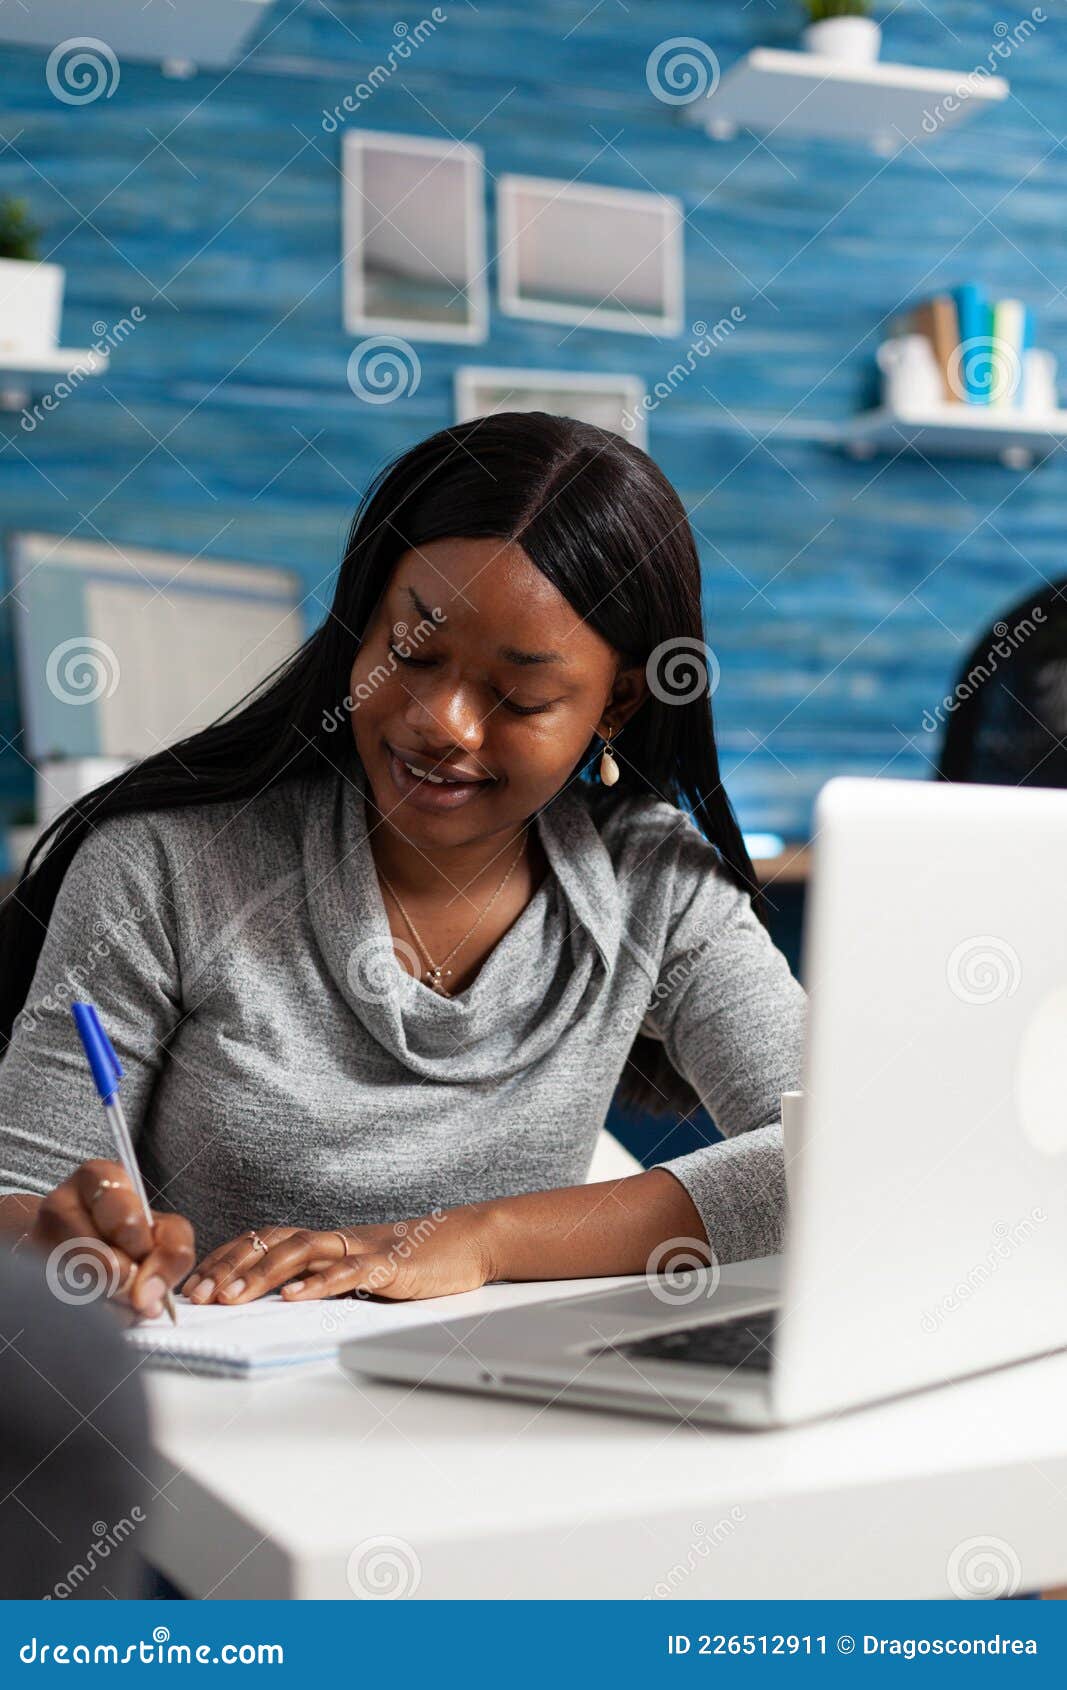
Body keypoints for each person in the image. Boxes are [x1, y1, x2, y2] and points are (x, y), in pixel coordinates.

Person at [0, 413, 804, 1317]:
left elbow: (840, 1148)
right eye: (412, 652)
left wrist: (479, 1240)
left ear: (613, 703)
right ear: (362, 623)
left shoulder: (651, 879)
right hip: (211, 1418)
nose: (442, 724)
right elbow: (18, 1194)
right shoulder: (162, 868)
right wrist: (56, 1239)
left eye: (519, 695)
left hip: (504, 1414)